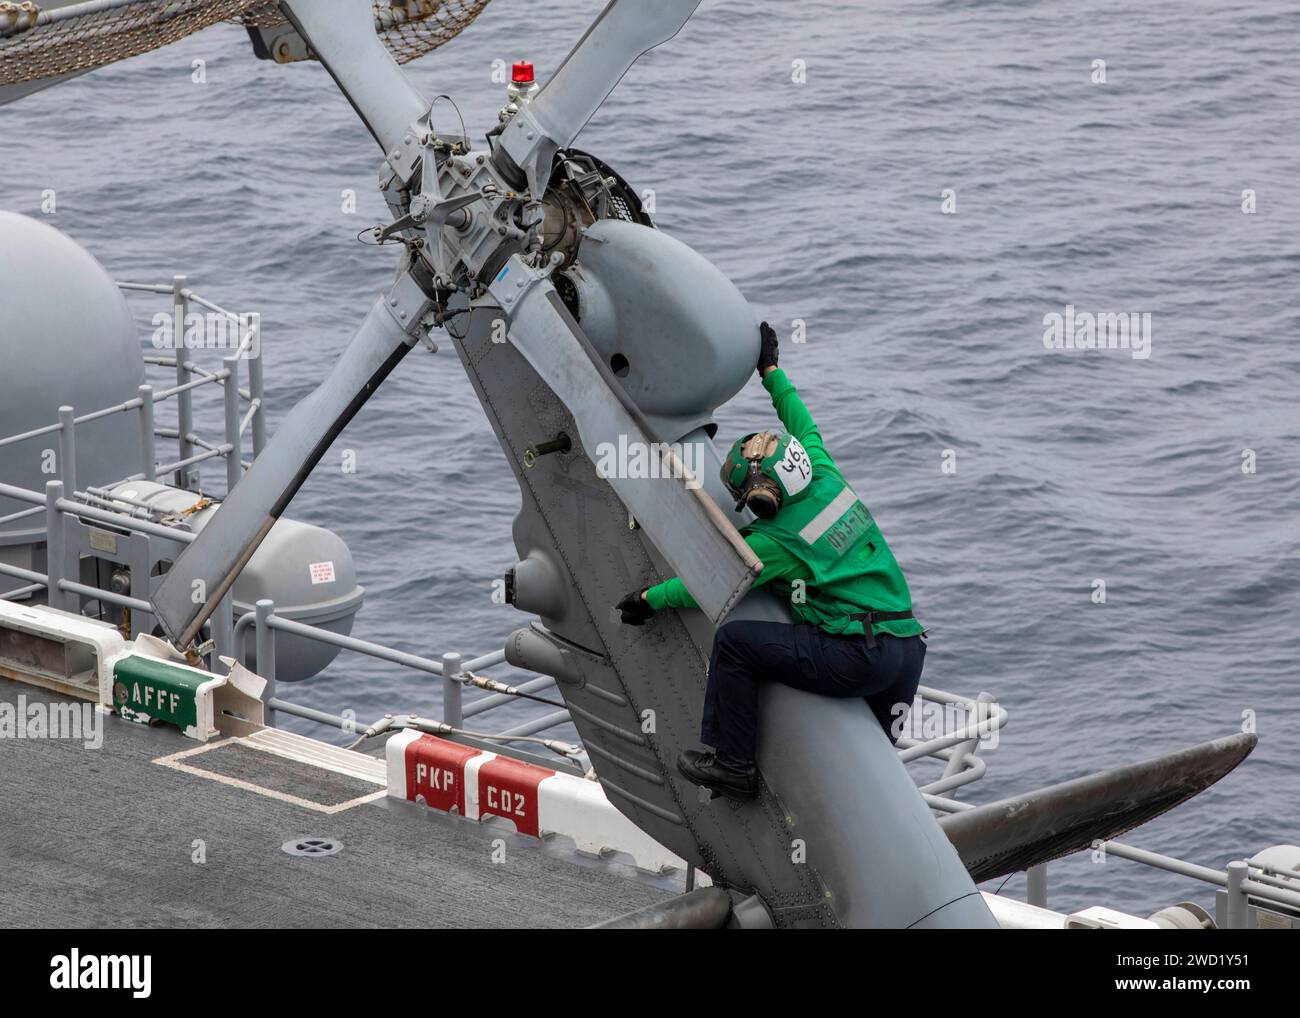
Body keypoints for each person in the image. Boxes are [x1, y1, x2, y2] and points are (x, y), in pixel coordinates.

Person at [614, 322, 926, 801]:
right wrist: (770, 369)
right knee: (871, 780)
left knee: (737, 643)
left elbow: (709, 581)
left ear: (761, 496)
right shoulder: (823, 473)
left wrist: (648, 599)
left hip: (859, 656)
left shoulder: (775, 542)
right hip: (906, 648)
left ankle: (732, 763)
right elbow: (803, 423)